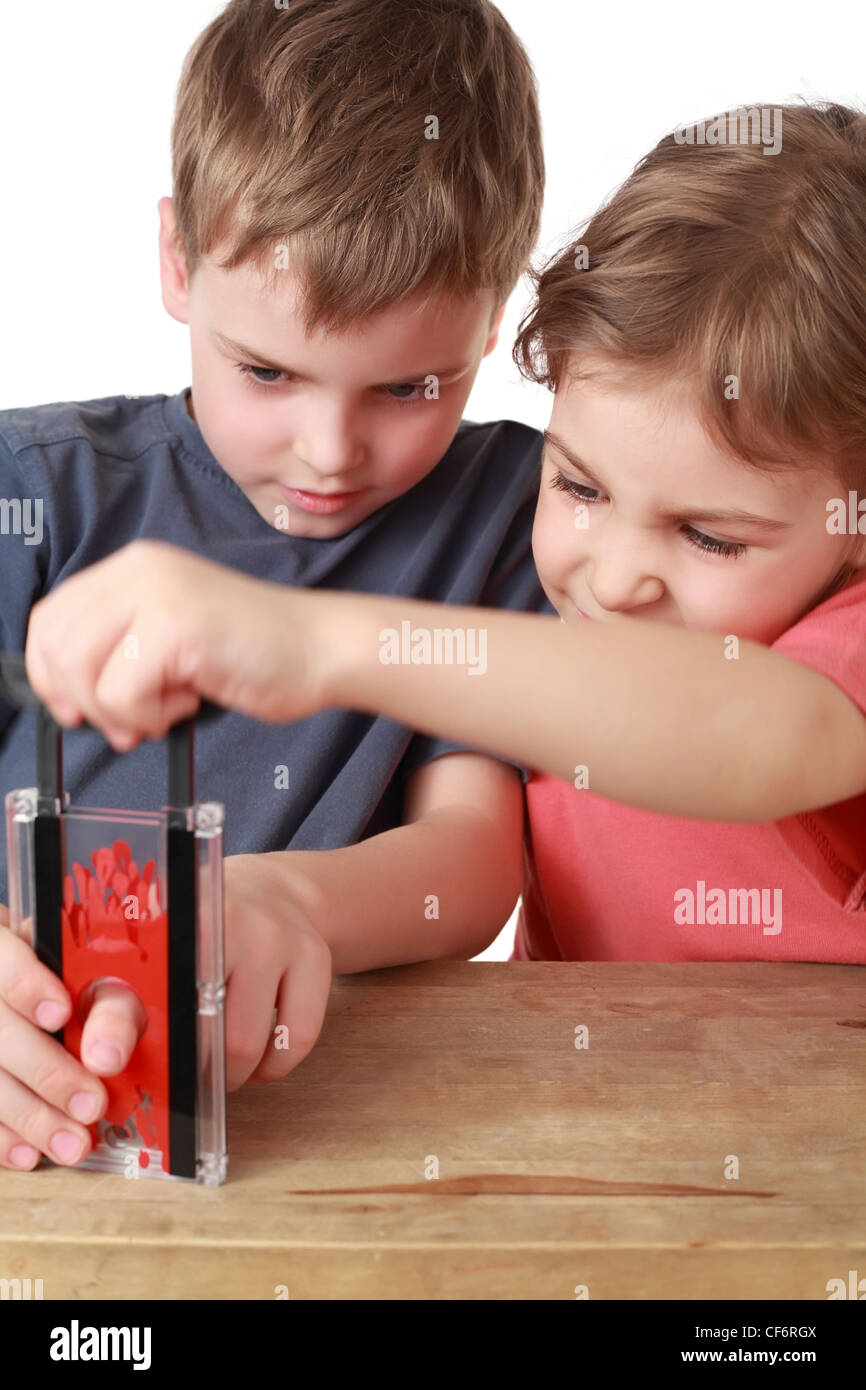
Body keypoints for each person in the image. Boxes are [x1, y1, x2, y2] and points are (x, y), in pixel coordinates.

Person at [0, 0, 551, 1172]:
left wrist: (284, 902)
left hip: (318, 1131)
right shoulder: (35, 492)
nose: (329, 451)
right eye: (267, 371)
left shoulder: (503, 514)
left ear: (495, 310)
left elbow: (474, 858)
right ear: (177, 262)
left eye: (408, 388)